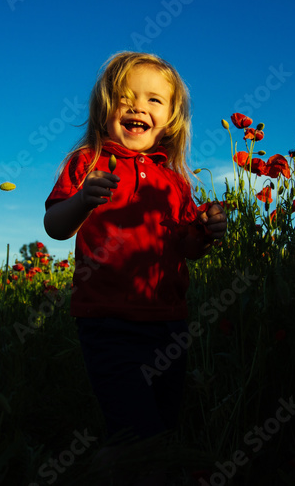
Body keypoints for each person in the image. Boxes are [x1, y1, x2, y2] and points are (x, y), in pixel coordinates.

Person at [44, 51, 227, 485]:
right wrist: (83, 200)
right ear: (104, 108)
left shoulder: (175, 180)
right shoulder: (87, 163)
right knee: (135, 430)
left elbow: (184, 246)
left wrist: (203, 231)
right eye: (124, 97)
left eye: (153, 100)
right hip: (107, 321)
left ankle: (117, 469)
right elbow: (54, 226)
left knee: (161, 426)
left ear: (171, 119)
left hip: (169, 323)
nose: (137, 106)